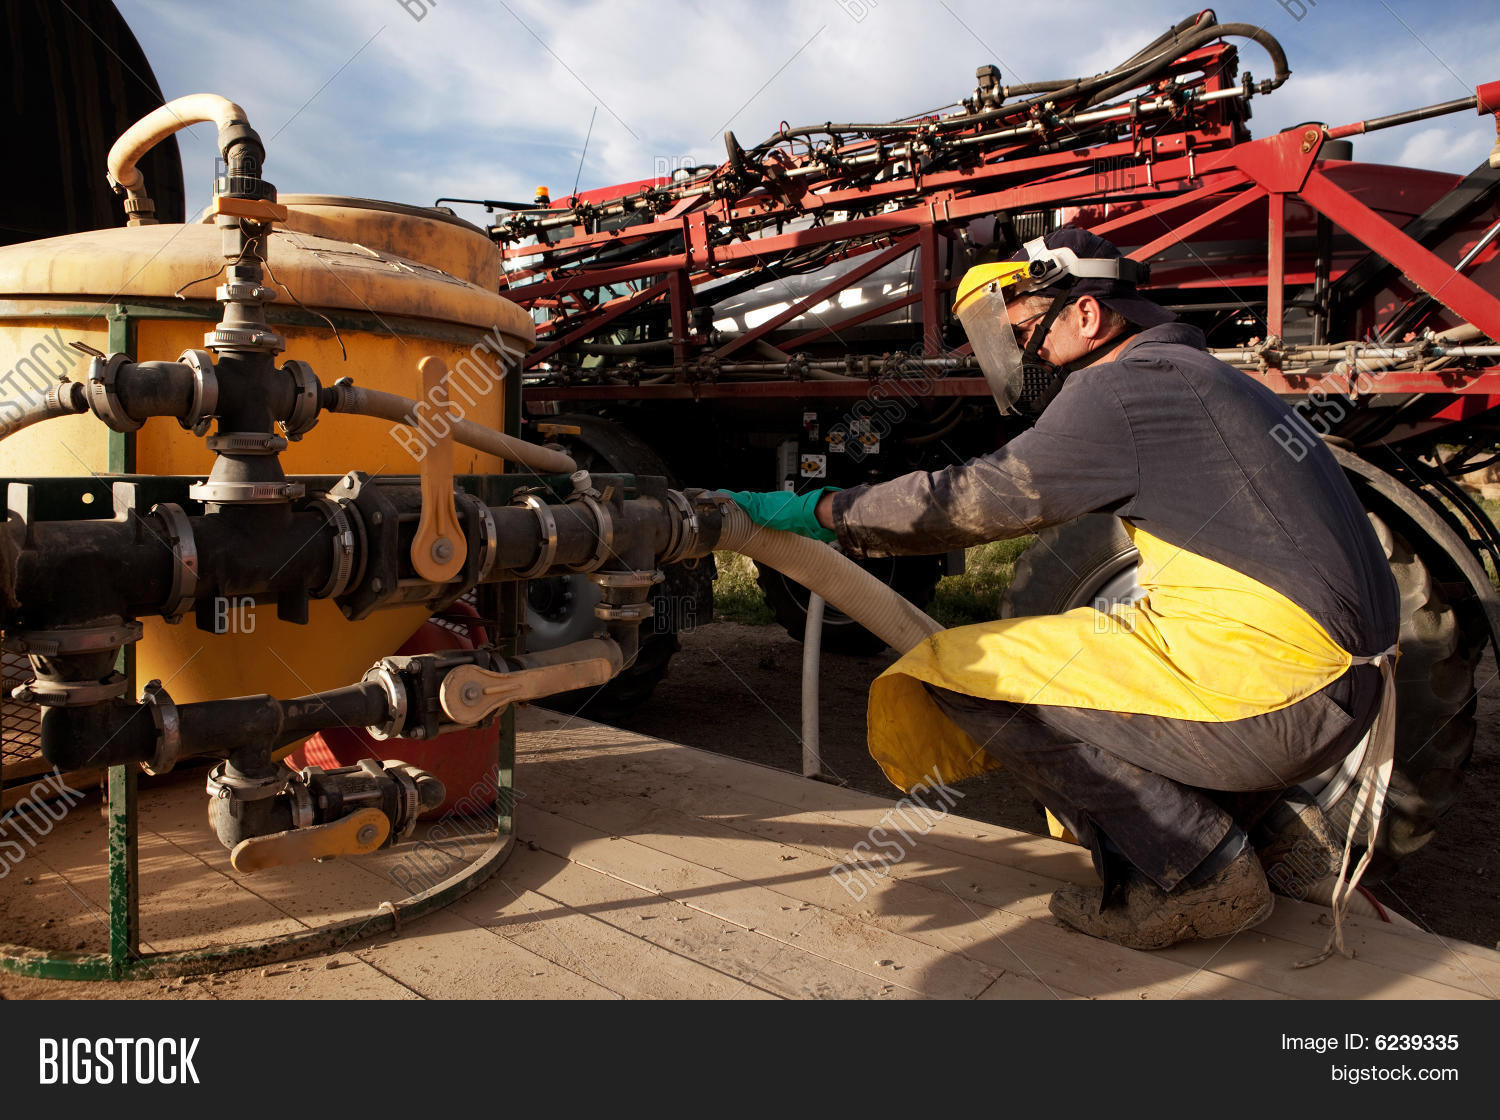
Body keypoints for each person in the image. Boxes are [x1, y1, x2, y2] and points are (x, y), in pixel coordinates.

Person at [726, 228, 1399, 951]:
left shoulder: (1122, 388)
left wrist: (820, 511)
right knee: (1092, 659)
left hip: (1283, 694)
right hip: (1342, 688)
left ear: (1086, 314)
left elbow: (974, 501)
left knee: (961, 670)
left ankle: (1197, 874)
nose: (1030, 355)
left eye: (1026, 332)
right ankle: (1278, 833)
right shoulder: (1199, 375)